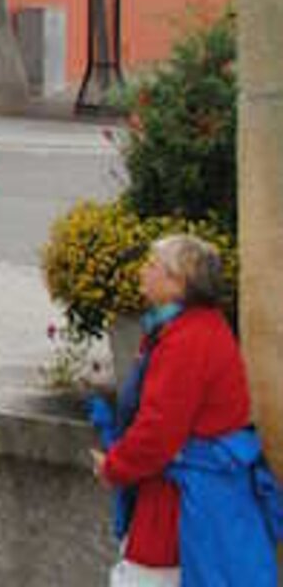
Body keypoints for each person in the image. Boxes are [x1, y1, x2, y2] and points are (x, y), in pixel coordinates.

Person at [92, 234, 282, 586]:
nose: (143, 272)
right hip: (202, 492)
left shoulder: (185, 341)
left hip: (184, 503)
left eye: (153, 266)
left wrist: (114, 468)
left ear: (178, 283)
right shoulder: (195, 329)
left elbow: (158, 430)